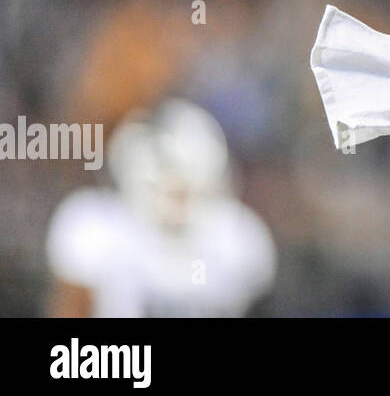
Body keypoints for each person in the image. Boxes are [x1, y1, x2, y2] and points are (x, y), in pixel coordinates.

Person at [46, 98, 275, 317]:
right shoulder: (96, 229)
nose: (176, 202)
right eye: (167, 189)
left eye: (185, 190)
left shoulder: (235, 239)